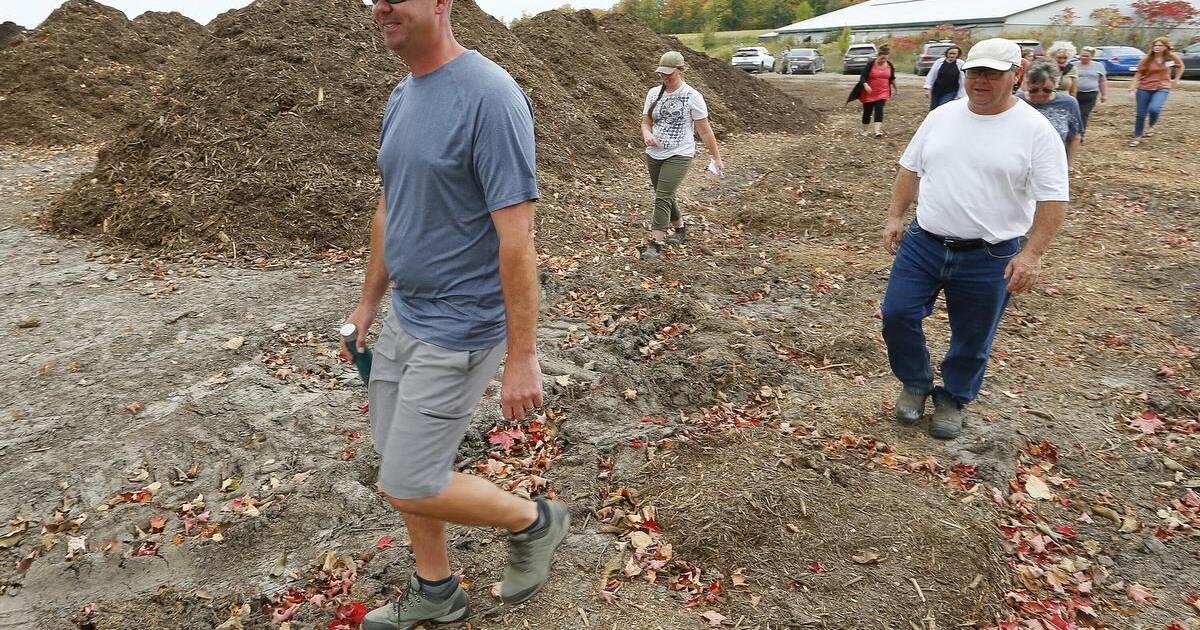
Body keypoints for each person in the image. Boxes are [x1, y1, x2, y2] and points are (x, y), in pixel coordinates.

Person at [344, 1, 570, 627]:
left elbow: (518, 238)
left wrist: (522, 356)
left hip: (461, 327)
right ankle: (437, 590)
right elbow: (392, 210)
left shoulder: (490, 97)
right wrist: (369, 301)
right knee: (396, 460)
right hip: (407, 318)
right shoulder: (402, 96)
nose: (382, 5)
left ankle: (536, 520)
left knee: (408, 480)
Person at [881, 38, 1069, 439]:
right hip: (924, 243)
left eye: (992, 73)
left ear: (1016, 75)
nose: (980, 81)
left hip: (989, 255)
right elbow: (910, 168)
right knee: (898, 314)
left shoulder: (1036, 131)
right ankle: (915, 382)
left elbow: (1053, 198)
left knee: (973, 336)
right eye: (975, 72)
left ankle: (953, 397)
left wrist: (1031, 255)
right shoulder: (942, 117)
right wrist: (895, 216)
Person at [639, 51, 724, 259]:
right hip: (654, 153)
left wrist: (716, 157)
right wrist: (647, 134)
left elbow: (704, 130)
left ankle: (656, 243)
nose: (666, 78)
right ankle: (680, 229)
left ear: (681, 70)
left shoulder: (692, 96)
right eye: (662, 74)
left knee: (662, 196)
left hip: (680, 153)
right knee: (665, 193)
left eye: (670, 74)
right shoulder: (654, 93)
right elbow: (645, 121)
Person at [1019, 61, 1083, 167]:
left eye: (1046, 90)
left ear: (1056, 85)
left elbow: (1075, 137)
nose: (1040, 94)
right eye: (1034, 90)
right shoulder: (1017, 102)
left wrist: (1068, 166)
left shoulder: (1068, 103)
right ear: (1027, 84)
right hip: (1020, 165)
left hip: (1053, 165)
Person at [1129, 36, 1186, 147]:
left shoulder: (1171, 57)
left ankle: (1151, 125)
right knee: (1141, 114)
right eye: (1155, 45)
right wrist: (1132, 89)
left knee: (1154, 109)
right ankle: (1137, 136)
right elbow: (1138, 74)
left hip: (1162, 87)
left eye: (1160, 45)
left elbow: (1181, 66)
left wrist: (1177, 79)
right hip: (1144, 88)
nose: (1157, 47)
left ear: (1165, 47)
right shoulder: (1147, 59)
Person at [848, 44, 897, 138]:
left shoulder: (889, 65)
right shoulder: (871, 64)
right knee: (867, 112)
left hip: (883, 92)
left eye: (885, 59)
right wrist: (865, 85)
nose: (883, 60)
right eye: (882, 58)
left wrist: (895, 88)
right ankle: (865, 130)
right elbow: (863, 77)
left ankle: (877, 131)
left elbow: (892, 77)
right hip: (869, 93)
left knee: (879, 109)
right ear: (878, 56)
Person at [1074, 47, 1107, 134]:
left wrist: (1104, 95)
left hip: (1091, 94)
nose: (1084, 58)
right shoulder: (1073, 65)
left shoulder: (1098, 66)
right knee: (1075, 114)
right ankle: (1073, 133)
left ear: (1092, 56)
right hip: (1075, 93)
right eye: (1082, 55)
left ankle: (1080, 134)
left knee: (1083, 114)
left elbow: (1102, 81)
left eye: (1086, 56)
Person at [923, 45, 965, 110]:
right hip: (937, 90)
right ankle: (933, 120)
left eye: (954, 54)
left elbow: (963, 80)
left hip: (951, 91)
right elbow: (931, 75)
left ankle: (942, 119)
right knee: (933, 109)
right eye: (950, 53)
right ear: (947, 53)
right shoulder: (939, 62)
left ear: (958, 55)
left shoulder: (961, 64)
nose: (951, 55)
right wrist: (928, 89)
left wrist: (960, 95)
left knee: (943, 107)